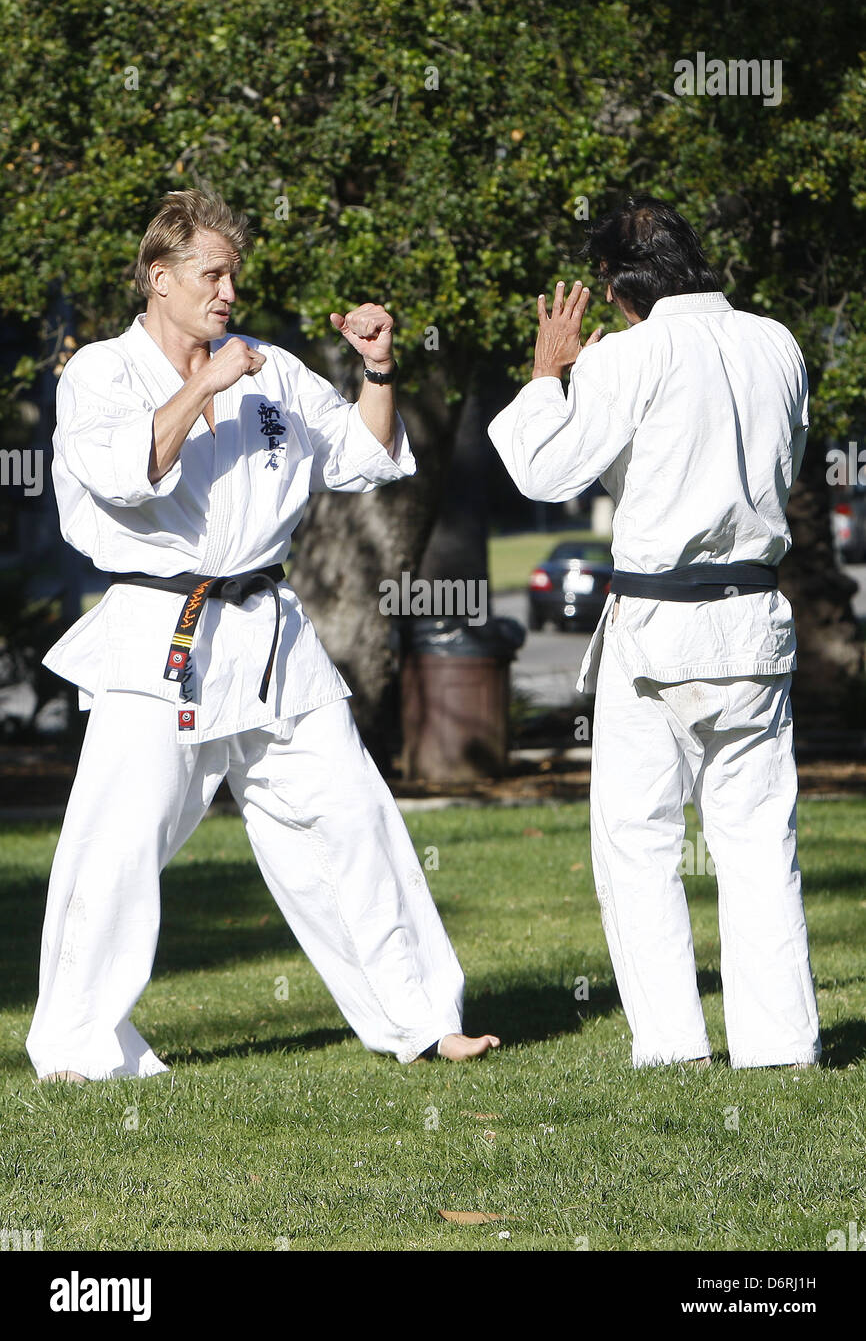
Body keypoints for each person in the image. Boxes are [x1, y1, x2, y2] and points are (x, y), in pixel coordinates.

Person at [28, 189, 499, 1082]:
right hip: (157, 633)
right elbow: (130, 476)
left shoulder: (272, 369)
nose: (228, 291)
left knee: (350, 818)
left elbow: (362, 458)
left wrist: (379, 371)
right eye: (212, 273)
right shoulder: (99, 375)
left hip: (272, 633)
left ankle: (420, 1019)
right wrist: (203, 382)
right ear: (159, 278)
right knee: (121, 842)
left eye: (235, 274)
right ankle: (80, 1046)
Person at [488, 195, 820, 1070]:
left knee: (638, 843)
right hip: (754, 617)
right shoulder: (776, 342)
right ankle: (780, 1045)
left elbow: (541, 469)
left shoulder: (629, 356)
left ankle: (673, 1046)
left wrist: (549, 373)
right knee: (757, 840)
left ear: (619, 290)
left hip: (660, 623)